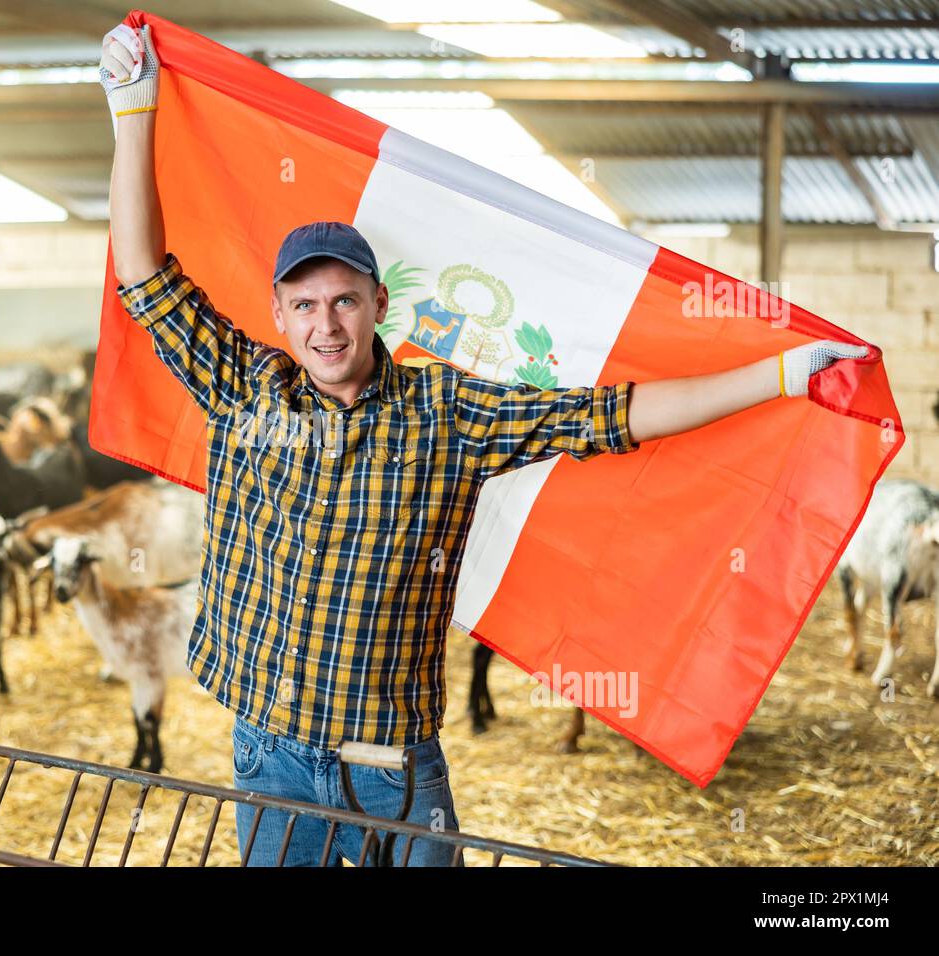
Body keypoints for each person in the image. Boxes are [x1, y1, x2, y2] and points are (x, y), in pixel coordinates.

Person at [98, 22, 868, 867]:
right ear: (279, 315)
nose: (326, 325)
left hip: (388, 763)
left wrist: (784, 373)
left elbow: (610, 415)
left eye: (345, 302)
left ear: (379, 304)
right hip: (269, 752)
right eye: (306, 306)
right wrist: (132, 110)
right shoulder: (246, 388)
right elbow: (143, 274)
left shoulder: (445, 412)